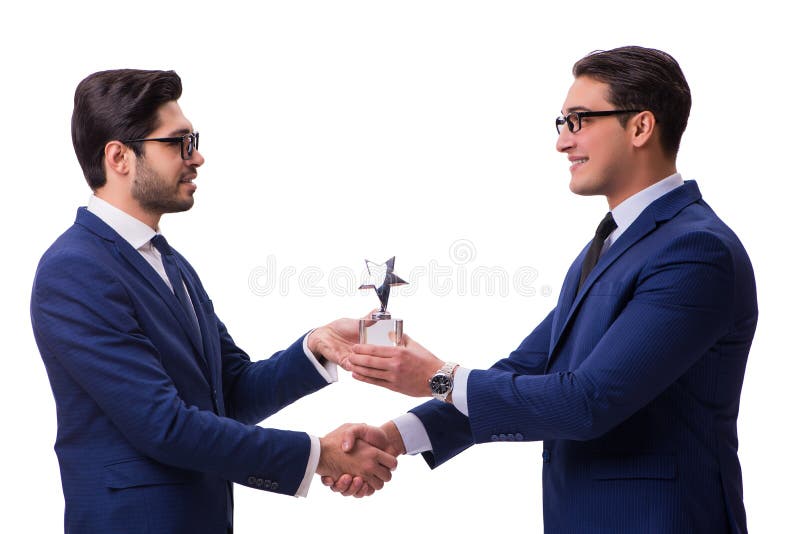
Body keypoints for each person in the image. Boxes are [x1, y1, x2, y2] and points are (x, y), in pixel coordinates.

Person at [328, 46, 758, 533]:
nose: (562, 143)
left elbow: (586, 404)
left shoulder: (696, 251)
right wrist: (396, 436)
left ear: (640, 127)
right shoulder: (612, 242)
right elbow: (529, 369)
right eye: (563, 123)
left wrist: (438, 377)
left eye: (579, 120)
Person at [30, 69, 396, 534]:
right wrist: (317, 453)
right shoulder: (75, 269)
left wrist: (314, 347)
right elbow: (163, 425)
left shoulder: (170, 262)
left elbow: (229, 393)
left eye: (194, 140)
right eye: (180, 142)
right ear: (119, 156)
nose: (197, 157)